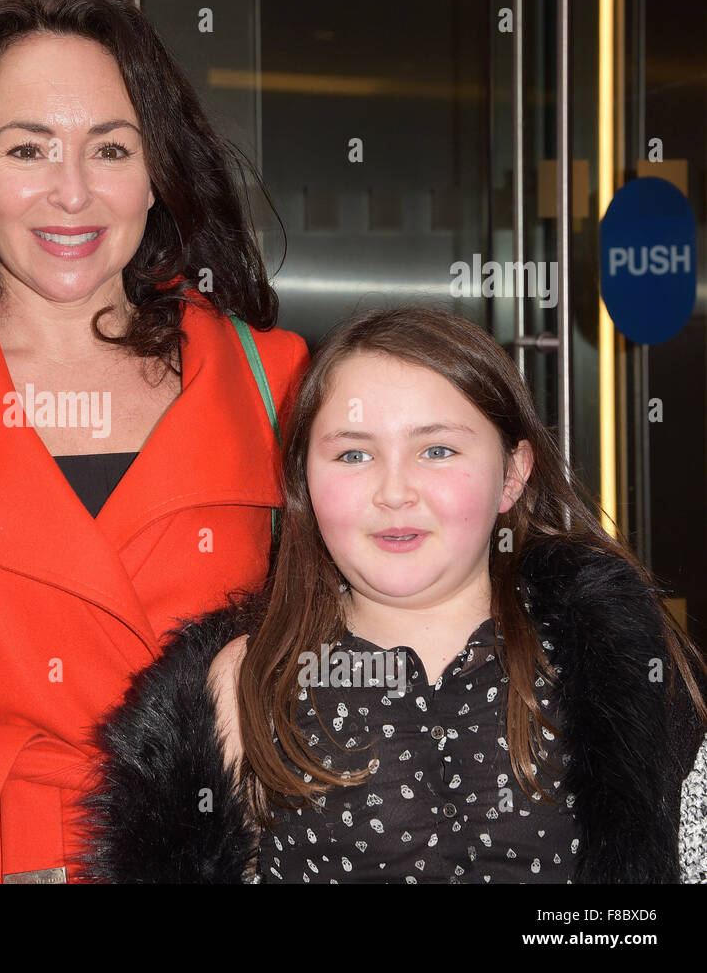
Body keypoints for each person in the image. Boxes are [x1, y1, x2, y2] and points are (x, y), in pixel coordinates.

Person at [0, 0, 309, 883]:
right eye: (27, 150)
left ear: (157, 172)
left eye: (110, 149)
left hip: (245, 849)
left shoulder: (275, 378)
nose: (71, 193)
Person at [80, 306, 707, 883]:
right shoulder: (240, 687)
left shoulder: (618, 662)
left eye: (437, 450)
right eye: (354, 455)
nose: (395, 492)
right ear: (302, 481)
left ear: (513, 473)